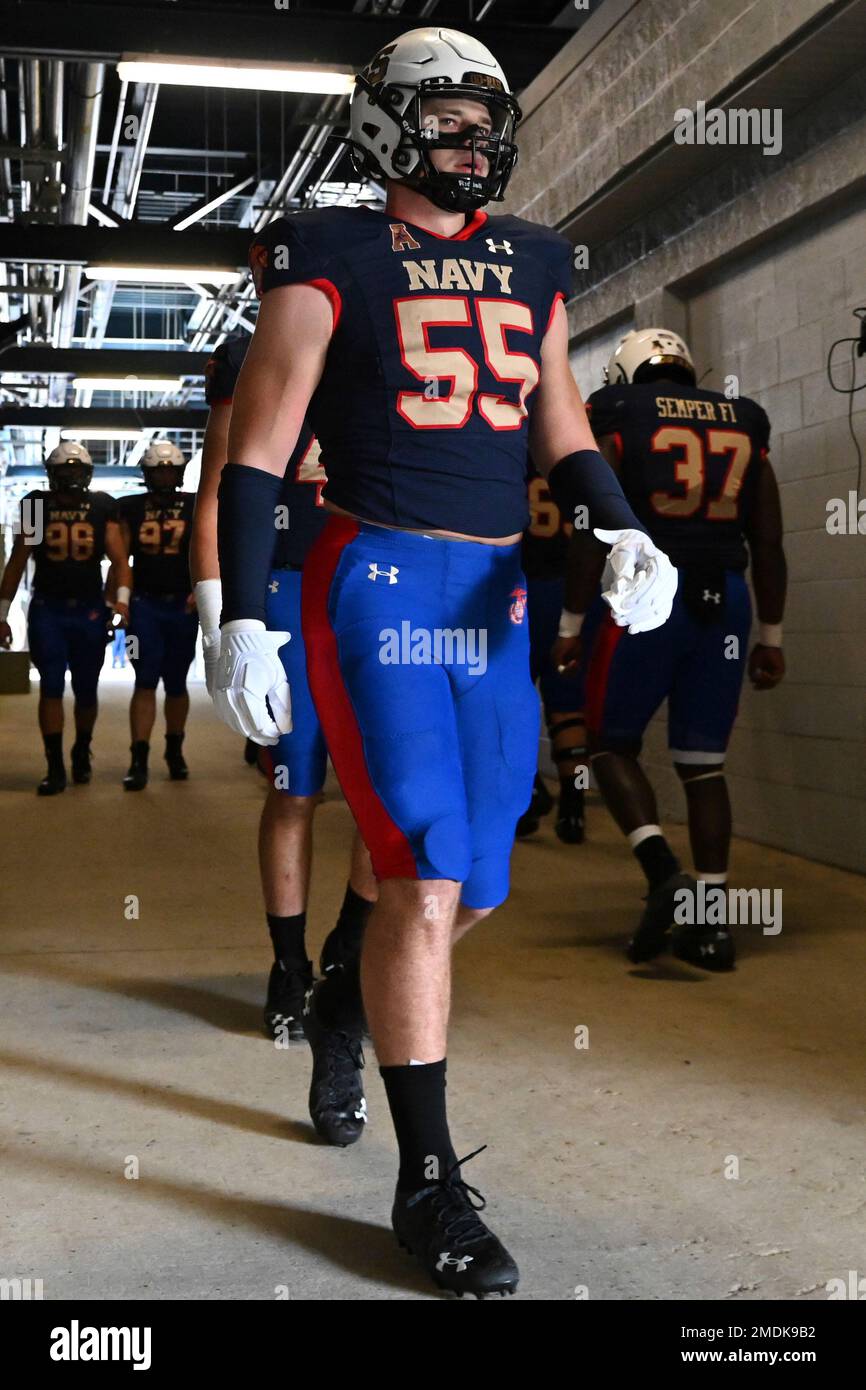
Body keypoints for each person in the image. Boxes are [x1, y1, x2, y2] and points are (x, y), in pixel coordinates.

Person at [210, 27, 675, 1296]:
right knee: (419, 869)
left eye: (486, 122)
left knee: (472, 881)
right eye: (449, 119)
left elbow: (559, 427)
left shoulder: (532, 262)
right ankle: (429, 1186)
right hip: (377, 574)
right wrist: (239, 609)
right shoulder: (327, 251)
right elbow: (256, 449)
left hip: (493, 591)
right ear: (386, 126)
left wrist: (620, 526)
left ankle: (348, 999)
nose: (474, 143)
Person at [559, 327, 786, 971]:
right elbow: (768, 539)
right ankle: (710, 929)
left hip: (648, 594)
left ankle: (663, 874)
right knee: (704, 764)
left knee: (608, 741)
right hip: (727, 599)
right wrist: (772, 633)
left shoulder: (618, 412)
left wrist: (571, 622)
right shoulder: (744, 418)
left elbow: (589, 523)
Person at [192, 334, 376, 1074]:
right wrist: (221, 623)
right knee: (292, 785)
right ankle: (289, 961)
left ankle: (353, 947)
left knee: (379, 794)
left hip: (377, 582)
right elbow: (215, 494)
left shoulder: (391, 323)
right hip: (289, 588)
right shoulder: (252, 355)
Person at [0, 442, 130, 794]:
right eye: (64, 471)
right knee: (51, 687)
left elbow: (119, 560)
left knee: (86, 690)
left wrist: (121, 603)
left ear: (87, 474)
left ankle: (80, 748)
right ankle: (55, 765)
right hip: (49, 607)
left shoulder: (103, 506)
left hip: (88, 608)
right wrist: (2, 612)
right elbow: (18, 559)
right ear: (52, 475)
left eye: (77, 470)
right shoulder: (37, 504)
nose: (71, 477)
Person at [112, 441, 198, 790]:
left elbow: (209, 547)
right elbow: (120, 560)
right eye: (157, 470)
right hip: (145, 603)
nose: (163, 475)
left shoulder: (194, 504)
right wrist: (118, 599)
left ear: (178, 473)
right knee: (144, 679)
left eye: (168, 470)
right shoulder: (130, 507)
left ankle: (174, 750)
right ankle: (139, 757)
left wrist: (204, 588)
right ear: (146, 474)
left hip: (183, 603)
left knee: (177, 682)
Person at [516, 458, 589, 842]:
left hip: (521, 591)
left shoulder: (513, 458)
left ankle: (526, 793)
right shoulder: (576, 465)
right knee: (568, 709)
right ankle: (574, 808)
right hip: (570, 593)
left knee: (514, 702)